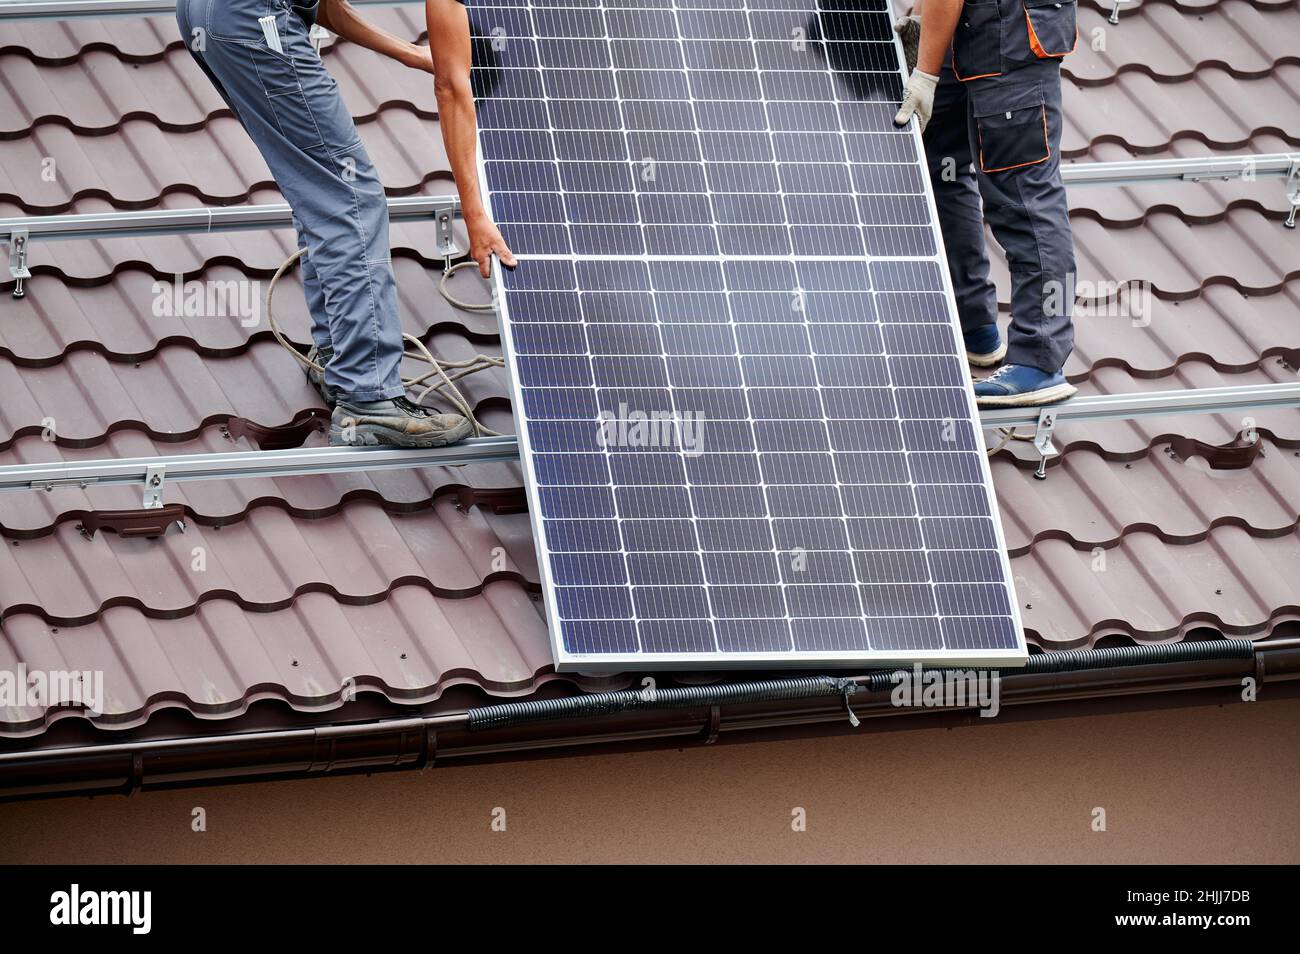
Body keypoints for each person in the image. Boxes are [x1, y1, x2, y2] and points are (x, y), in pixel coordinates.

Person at [175, 0, 515, 445]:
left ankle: (339, 358)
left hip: (206, 14)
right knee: (349, 192)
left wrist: (409, 53)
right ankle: (368, 394)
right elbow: (452, 87)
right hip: (250, 19)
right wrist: (475, 215)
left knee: (318, 181)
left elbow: (321, 5)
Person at [893, 0, 1078, 407]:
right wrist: (924, 24)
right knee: (938, 157)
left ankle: (1040, 359)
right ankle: (973, 318)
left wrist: (924, 73)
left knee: (1026, 201)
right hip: (972, 34)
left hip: (1009, 42)